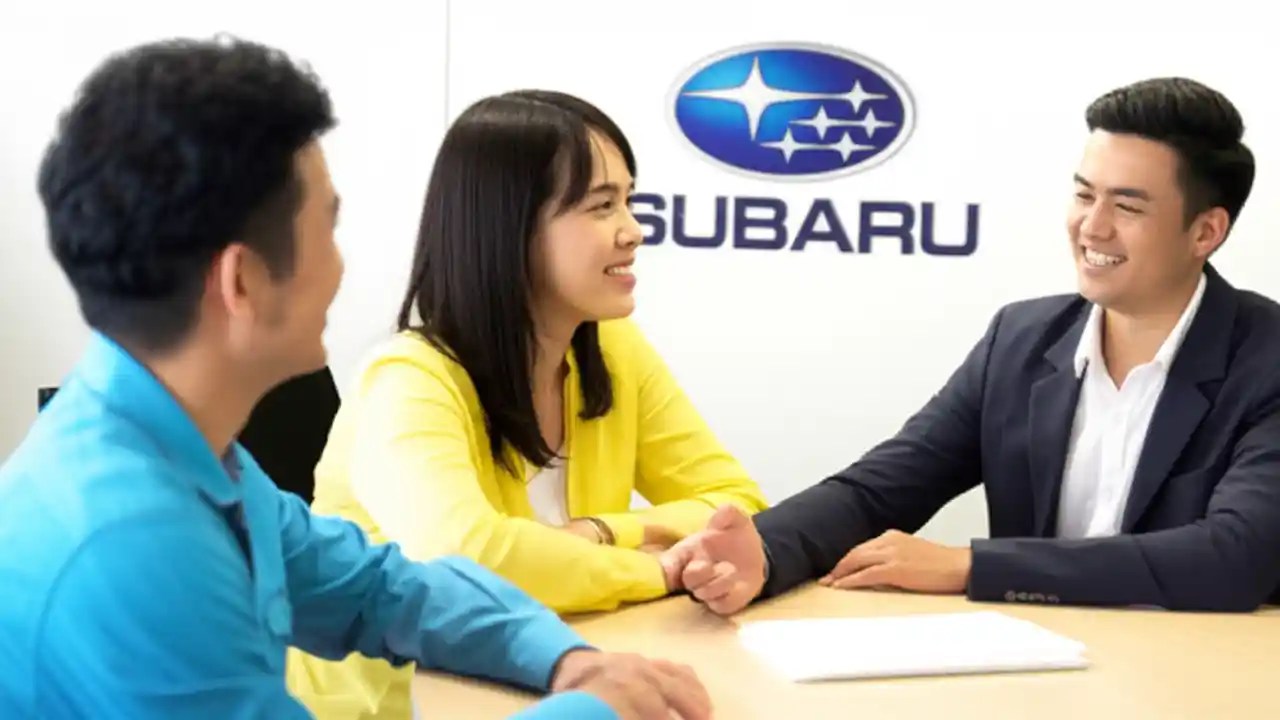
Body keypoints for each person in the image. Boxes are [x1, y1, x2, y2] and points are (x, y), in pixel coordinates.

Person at [0, 37, 711, 720]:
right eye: (327, 231)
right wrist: (596, 709)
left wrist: (562, 660)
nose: (341, 270)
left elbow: (376, 588)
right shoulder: (135, 548)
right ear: (243, 281)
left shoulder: (183, 452)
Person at [676, 76, 1280, 615]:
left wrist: (973, 567)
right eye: (1083, 194)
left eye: (1126, 205)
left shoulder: (1266, 358)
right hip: (1037, 671)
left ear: (1206, 231)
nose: (1092, 226)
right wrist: (763, 550)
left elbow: (1234, 557)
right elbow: (881, 489)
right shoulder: (1020, 339)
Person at [285, 89, 768, 717]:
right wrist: (657, 569)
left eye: (628, 200)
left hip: (556, 675)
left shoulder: (614, 352)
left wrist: (604, 532)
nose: (634, 230)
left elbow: (737, 503)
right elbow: (467, 562)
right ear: (510, 225)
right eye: (602, 206)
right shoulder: (408, 378)